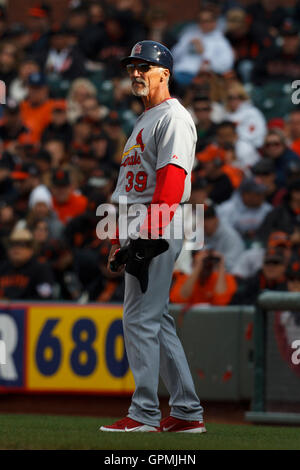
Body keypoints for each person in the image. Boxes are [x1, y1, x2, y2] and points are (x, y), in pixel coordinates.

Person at [100, 41, 205, 433]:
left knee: (140, 320)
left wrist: (149, 236)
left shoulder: (173, 117)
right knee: (155, 319)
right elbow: (128, 187)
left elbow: (172, 181)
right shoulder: (144, 119)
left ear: (165, 73)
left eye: (145, 66)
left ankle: (144, 413)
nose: (137, 73)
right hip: (140, 225)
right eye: (133, 66)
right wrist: (117, 240)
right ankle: (186, 412)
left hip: (157, 225)